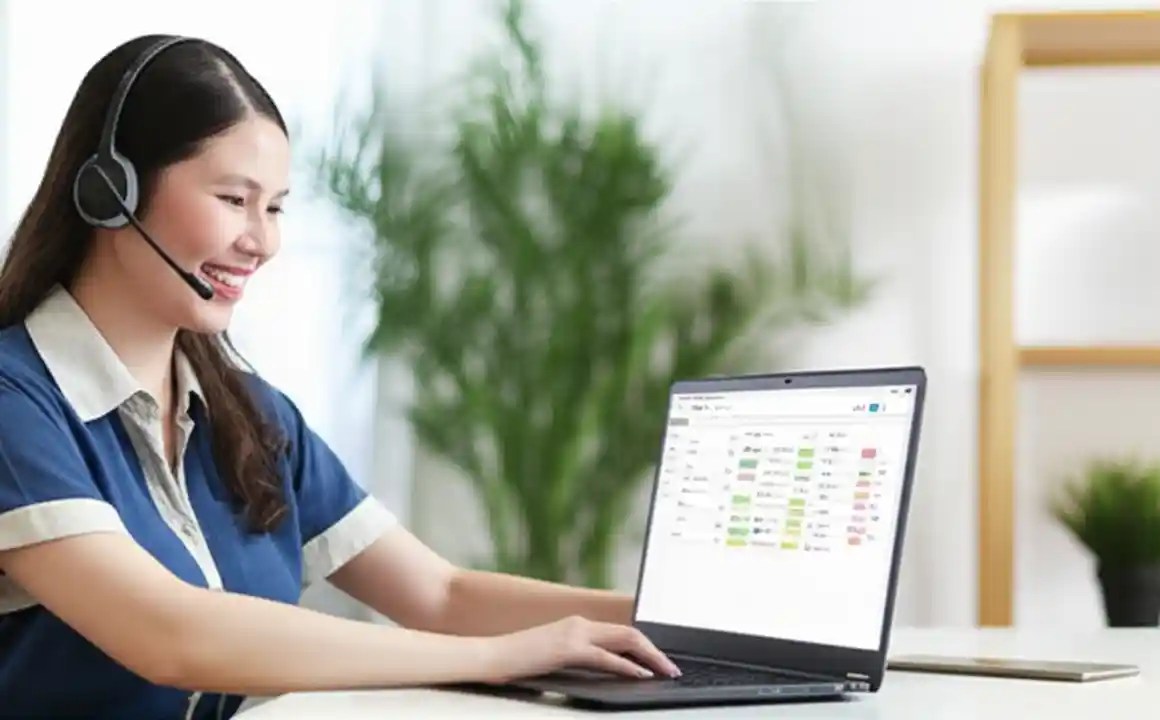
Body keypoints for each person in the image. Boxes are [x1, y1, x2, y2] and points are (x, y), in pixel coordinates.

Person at [0, 34, 679, 719]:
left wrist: (678, 624)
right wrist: (503, 656)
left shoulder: (248, 414)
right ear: (110, 193)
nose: (262, 242)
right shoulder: (15, 402)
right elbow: (170, 635)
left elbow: (440, 596)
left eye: (275, 207)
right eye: (235, 199)